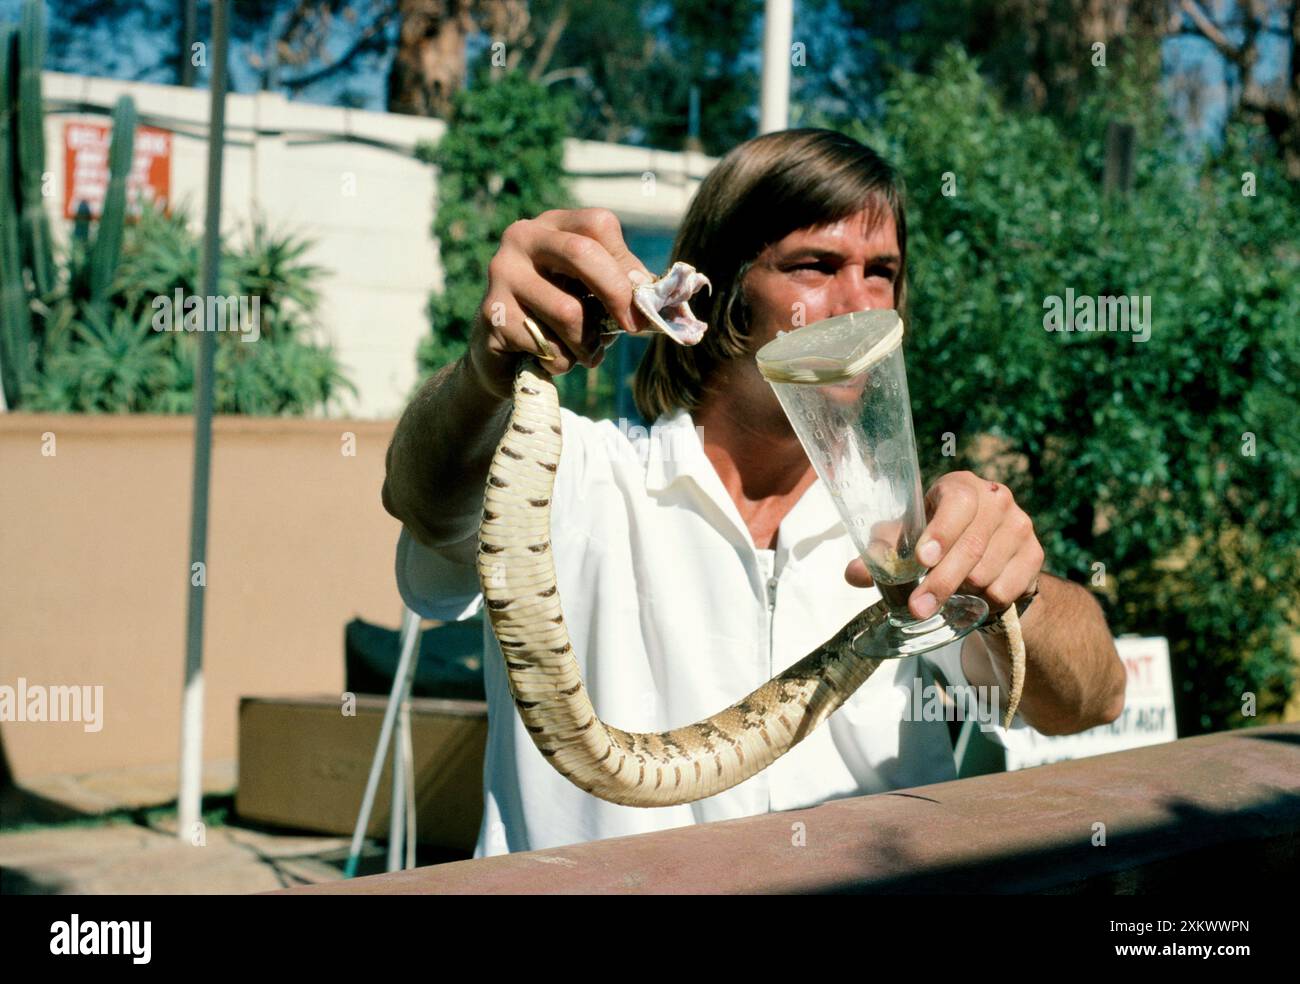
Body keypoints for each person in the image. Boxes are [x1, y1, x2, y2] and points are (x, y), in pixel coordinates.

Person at [382, 128, 1126, 858]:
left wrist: (1015, 589)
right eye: (814, 264)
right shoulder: (579, 473)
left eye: (882, 272)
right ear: (725, 291)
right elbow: (422, 493)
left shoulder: (909, 536)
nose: (857, 302)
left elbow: (1091, 702)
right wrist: (486, 370)